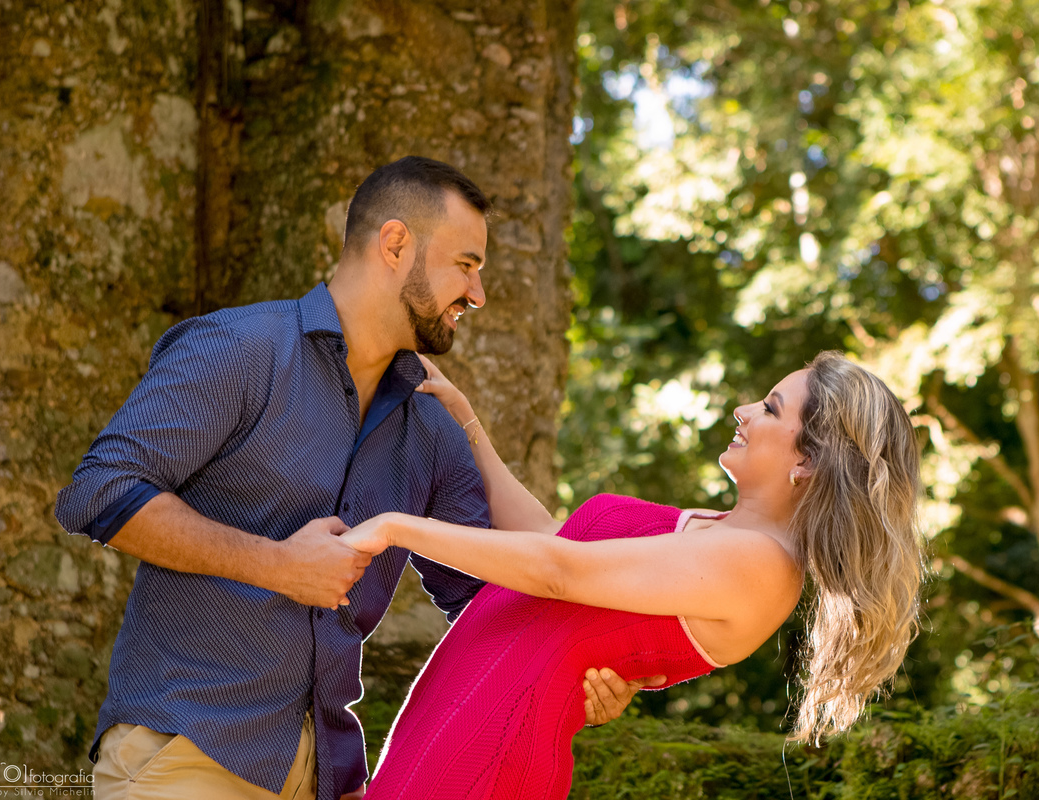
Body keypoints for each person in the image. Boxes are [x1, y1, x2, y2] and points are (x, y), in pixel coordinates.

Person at [53, 156, 647, 800]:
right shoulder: (240, 348)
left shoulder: (432, 427)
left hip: (329, 777)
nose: (478, 294)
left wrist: (572, 672)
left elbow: (484, 600)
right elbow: (100, 490)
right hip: (184, 756)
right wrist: (277, 565)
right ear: (396, 244)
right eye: (467, 265)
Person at [340, 350, 926, 800]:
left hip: (489, 755)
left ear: (810, 461)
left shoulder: (763, 566)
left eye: (770, 409)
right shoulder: (716, 529)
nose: (743, 411)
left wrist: (395, 527)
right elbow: (552, 540)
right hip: (457, 722)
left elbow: (557, 572)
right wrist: (467, 425)